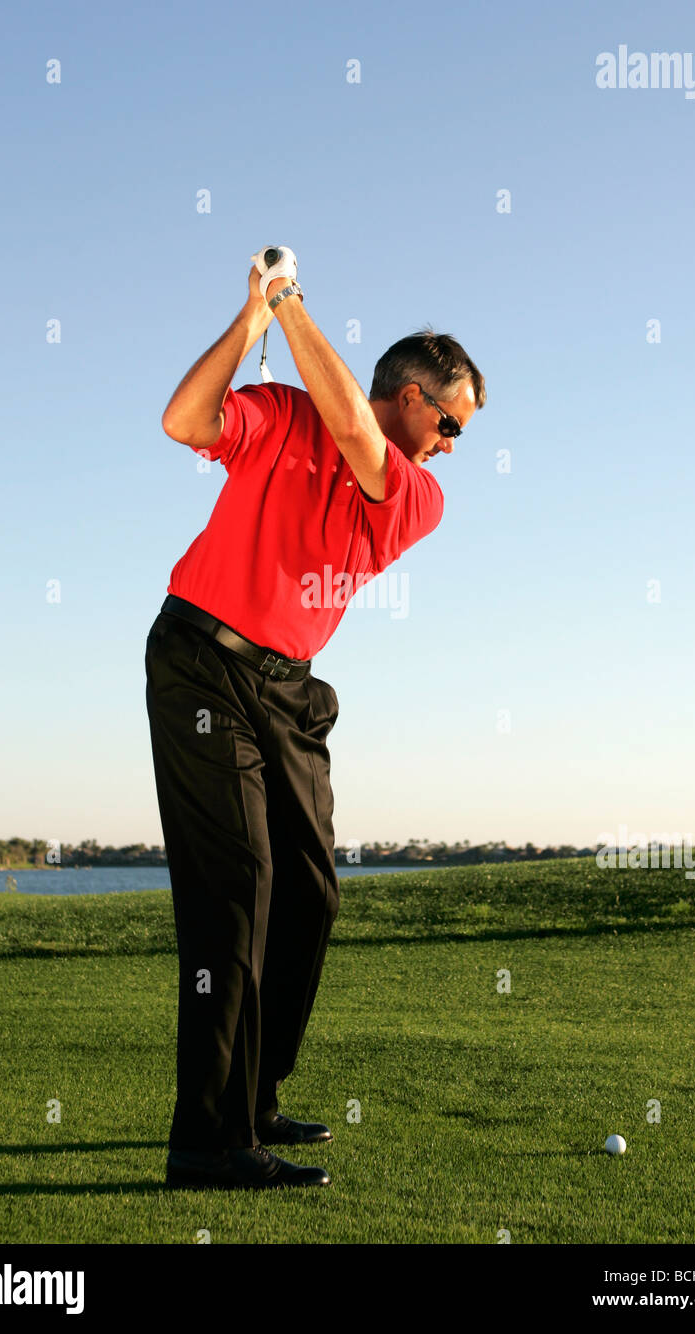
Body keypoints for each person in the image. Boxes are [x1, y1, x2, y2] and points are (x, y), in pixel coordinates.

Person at [145, 250, 485, 1191]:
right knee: (239, 890)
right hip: (201, 663)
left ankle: (254, 1096)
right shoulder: (284, 414)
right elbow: (183, 420)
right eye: (449, 421)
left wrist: (290, 304)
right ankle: (207, 1140)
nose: (451, 444)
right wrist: (254, 319)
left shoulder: (417, 491)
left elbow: (354, 434)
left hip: (288, 691)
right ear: (410, 395)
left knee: (308, 890)